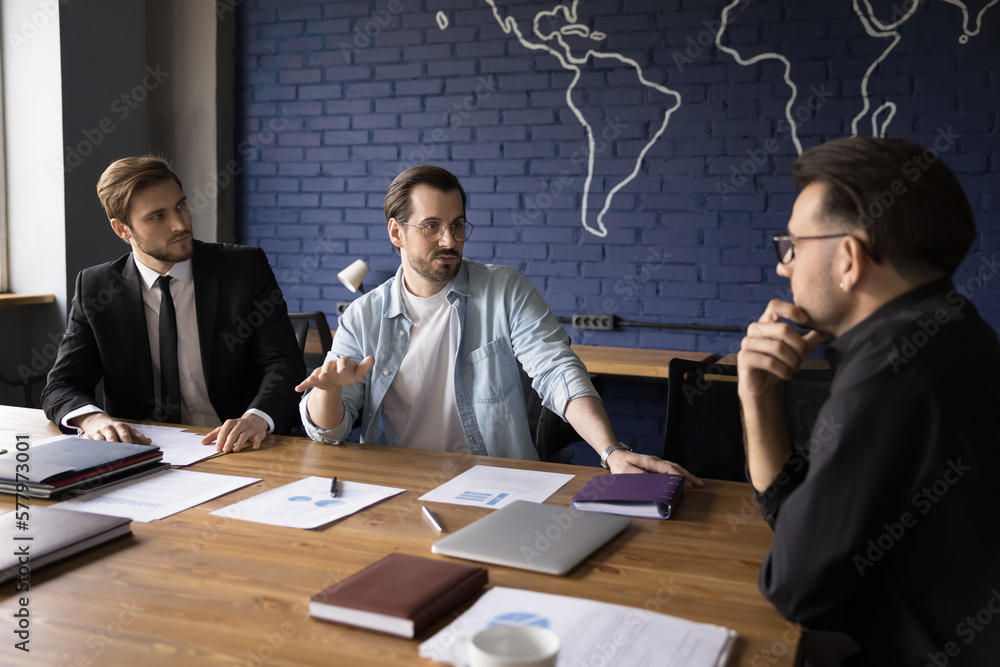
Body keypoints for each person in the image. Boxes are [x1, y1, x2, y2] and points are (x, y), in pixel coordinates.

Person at [737, 136, 1000, 665]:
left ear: (849, 259)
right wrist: (758, 397)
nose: (783, 267)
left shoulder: (893, 369)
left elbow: (793, 588)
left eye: (792, 246)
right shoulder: (953, 329)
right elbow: (796, 523)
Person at [297, 164, 700, 481]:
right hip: (399, 483)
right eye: (432, 226)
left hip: (495, 482)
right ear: (396, 233)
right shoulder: (364, 315)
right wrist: (328, 392)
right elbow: (329, 432)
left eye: (457, 225)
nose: (449, 240)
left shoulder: (505, 289)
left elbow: (557, 369)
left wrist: (612, 452)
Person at [42, 156, 306, 453]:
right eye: (157, 216)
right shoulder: (96, 288)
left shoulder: (244, 268)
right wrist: (93, 420)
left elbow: (285, 364)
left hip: (239, 448)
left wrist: (257, 418)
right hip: (143, 454)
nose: (180, 224)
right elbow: (62, 385)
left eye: (181, 205)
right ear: (122, 230)